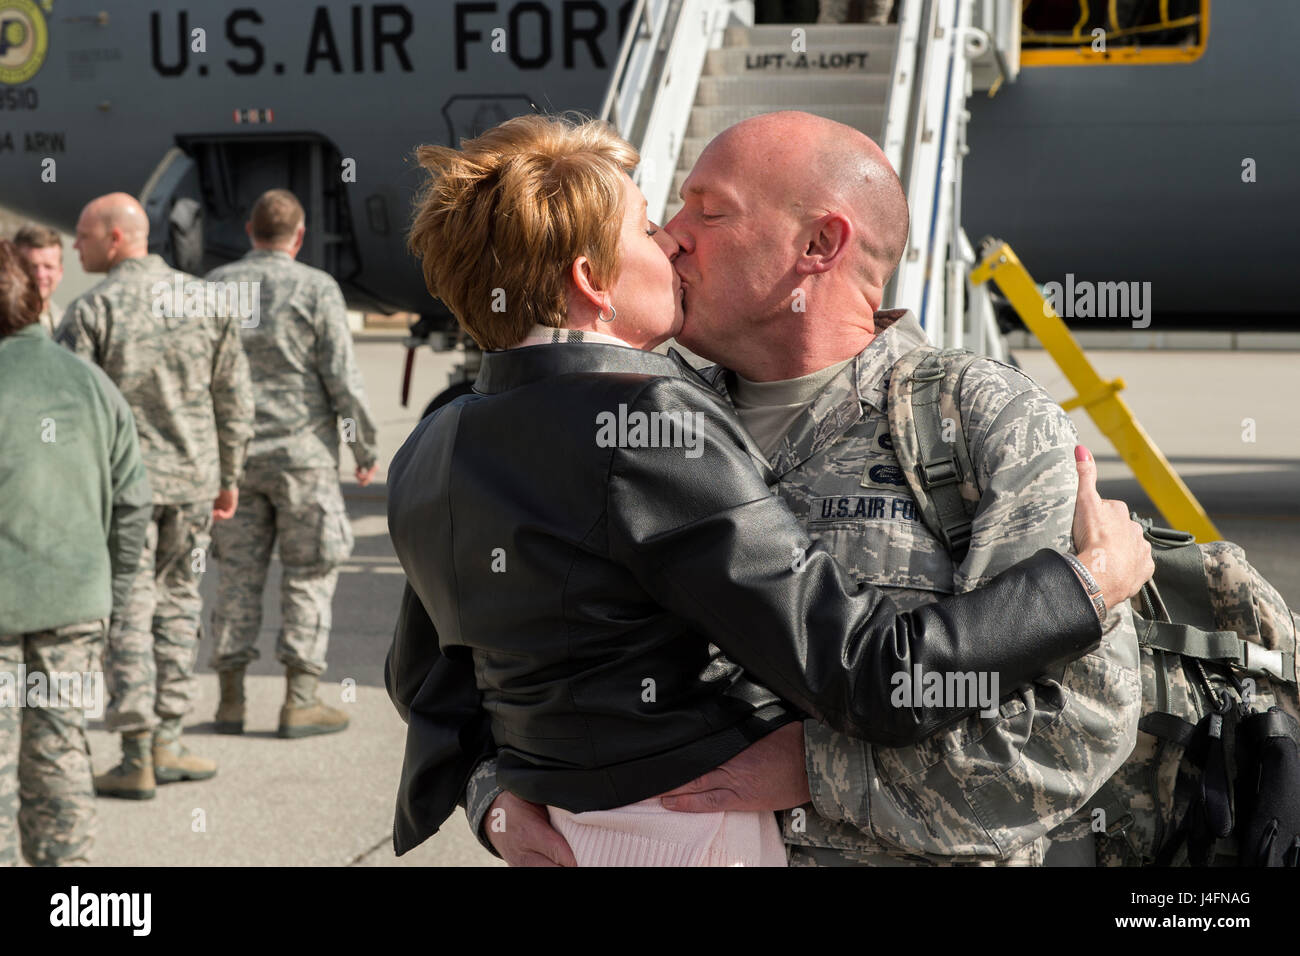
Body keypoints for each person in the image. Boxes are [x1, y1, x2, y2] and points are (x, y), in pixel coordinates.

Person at [387, 113, 1152, 866]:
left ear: (820, 244)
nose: (675, 235)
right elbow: (458, 669)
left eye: (705, 211)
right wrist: (491, 795)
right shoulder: (637, 424)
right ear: (592, 280)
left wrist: (824, 773)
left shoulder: (975, 419)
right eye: (660, 218)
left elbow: (1068, 733)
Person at [58, 193, 254, 799]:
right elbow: (234, 398)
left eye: (84, 236)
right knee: (177, 606)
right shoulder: (207, 301)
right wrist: (229, 475)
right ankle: (168, 738)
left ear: (116, 240)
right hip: (194, 486)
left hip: (124, 494)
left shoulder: (92, 310)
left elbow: (70, 415)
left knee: (128, 612)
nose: (75, 246)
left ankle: (136, 751)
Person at [205, 189, 379, 738]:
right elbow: (342, 381)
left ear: (250, 232)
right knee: (309, 574)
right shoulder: (316, 288)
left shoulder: (214, 288)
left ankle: (230, 701)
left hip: (233, 461)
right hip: (303, 459)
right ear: (298, 237)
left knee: (236, 576)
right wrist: (364, 449)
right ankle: (300, 700)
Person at [0, 239, 152, 865]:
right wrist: (108, 598)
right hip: (75, 608)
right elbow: (133, 502)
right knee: (61, 755)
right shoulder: (91, 383)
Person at [12, 223, 65, 338]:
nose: (40, 275)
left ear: (60, 272)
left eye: (48, 267)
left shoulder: (67, 324)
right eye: (32, 266)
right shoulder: (5, 320)